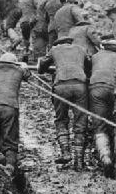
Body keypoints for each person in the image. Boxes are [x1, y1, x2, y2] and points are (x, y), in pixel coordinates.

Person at [38, 36, 91, 169]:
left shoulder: (55, 49)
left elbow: (42, 67)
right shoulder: (81, 49)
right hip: (80, 86)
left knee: (61, 119)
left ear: (59, 43)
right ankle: (79, 160)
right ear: (70, 42)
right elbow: (89, 66)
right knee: (81, 120)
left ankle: (66, 153)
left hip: (61, 86)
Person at [0, 52, 30, 171]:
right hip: (9, 106)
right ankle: (10, 166)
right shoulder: (18, 70)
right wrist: (23, 65)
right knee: (10, 138)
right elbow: (28, 75)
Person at [88, 39, 116, 176]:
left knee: (99, 126)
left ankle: (106, 158)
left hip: (96, 89)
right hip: (115, 90)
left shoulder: (96, 56)